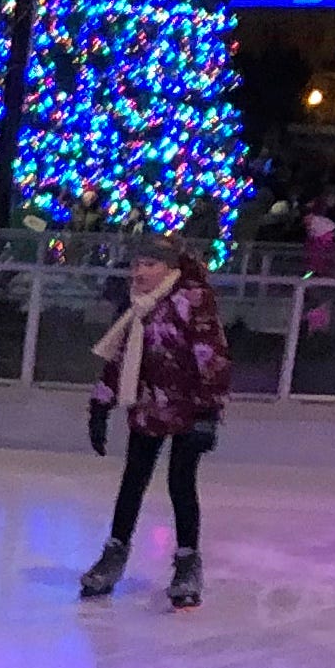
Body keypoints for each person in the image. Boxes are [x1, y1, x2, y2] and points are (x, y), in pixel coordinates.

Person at [75, 244, 232, 611]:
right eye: (136, 263)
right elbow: (121, 359)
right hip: (149, 404)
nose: (139, 272)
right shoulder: (139, 304)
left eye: (149, 264)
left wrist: (209, 412)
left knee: (181, 480)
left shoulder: (192, 299)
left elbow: (212, 356)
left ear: (170, 268)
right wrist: (100, 404)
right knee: (134, 478)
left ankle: (188, 563)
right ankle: (113, 555)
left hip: (190, 407)